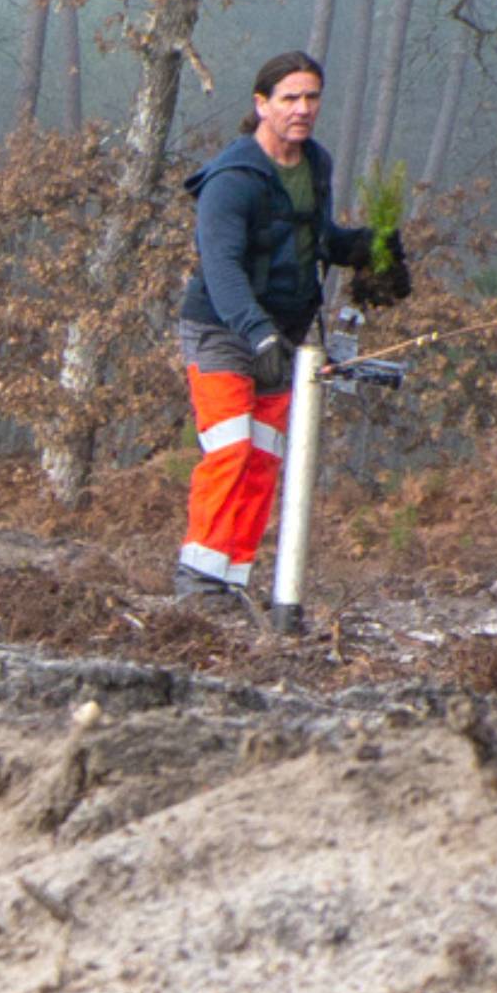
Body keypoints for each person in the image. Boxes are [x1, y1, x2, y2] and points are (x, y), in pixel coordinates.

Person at [173, 50, 406, 606]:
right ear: (262, 106)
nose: (302, 109)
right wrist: (256, 334)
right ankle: (196, 583)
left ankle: (232, 584)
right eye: (290, 98)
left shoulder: (314, 166)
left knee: (264, 458)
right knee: (230, 450)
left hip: (286, 334)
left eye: (311, 97)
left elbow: (314, 238)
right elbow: (222, 267)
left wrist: (365, 248)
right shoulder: (232, 180)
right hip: (224, 331)